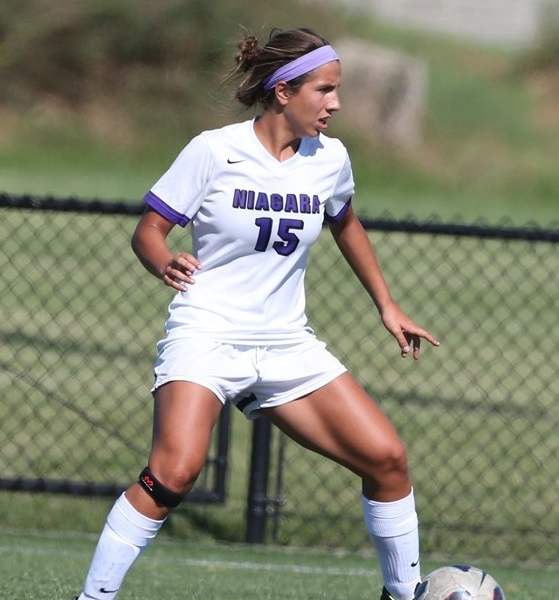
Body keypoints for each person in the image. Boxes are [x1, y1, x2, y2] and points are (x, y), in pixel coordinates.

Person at [73, 27, 439, 600]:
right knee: (173, 473)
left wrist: (386, 305)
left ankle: (404, 594)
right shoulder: (214, 150)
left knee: (387, 459)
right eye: (325, 90)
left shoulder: (331, 158)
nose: (336, 103)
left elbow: (344, 222)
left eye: (337, 90)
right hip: (209, 333)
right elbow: (149, 229)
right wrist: (162, 260)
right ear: (284, 91)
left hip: (285, 342)